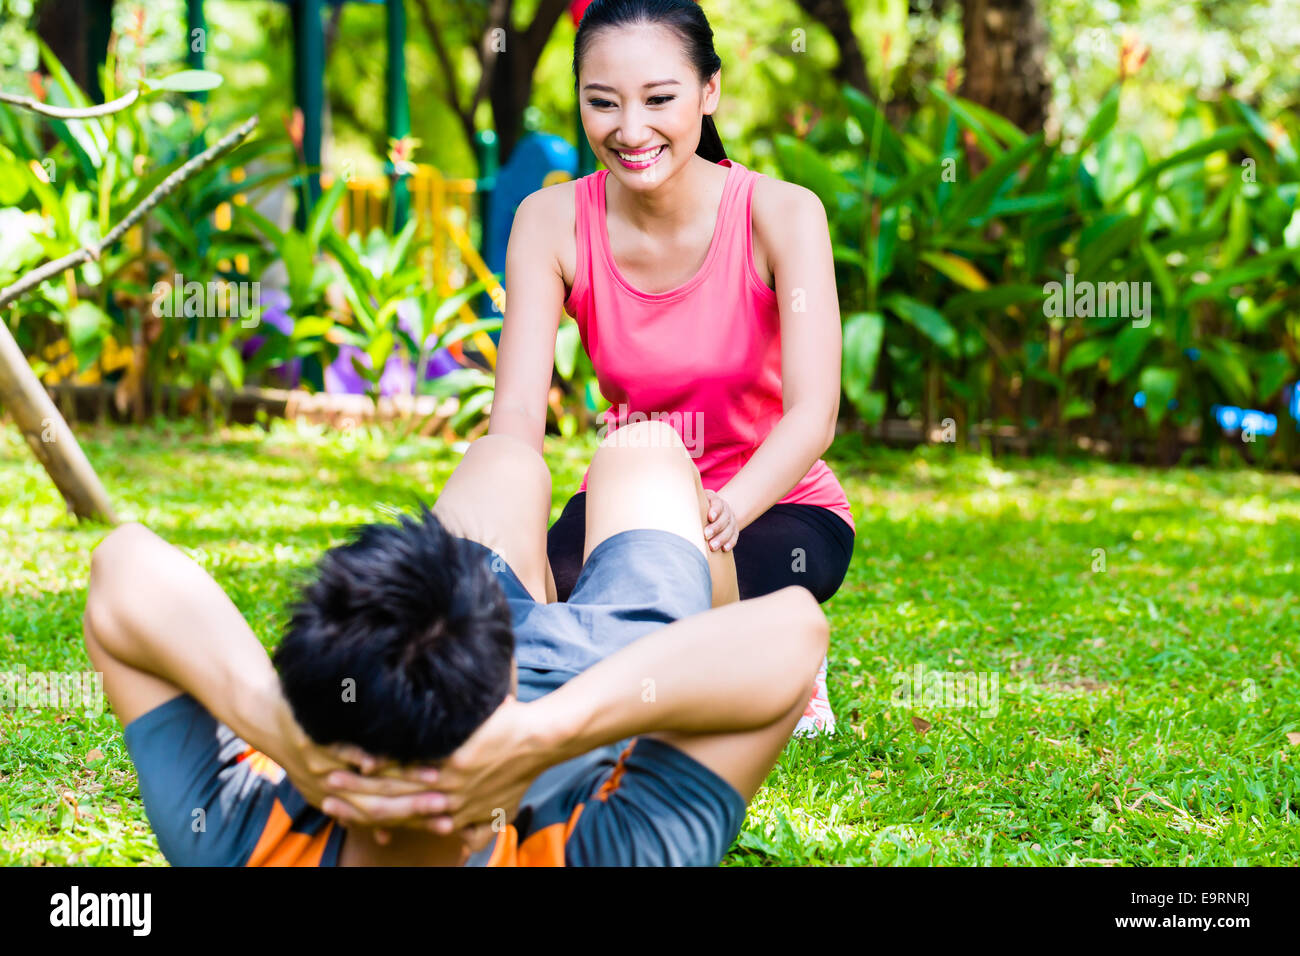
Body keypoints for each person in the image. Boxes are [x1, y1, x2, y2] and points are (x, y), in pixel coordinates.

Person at [82, 420, 828, 865]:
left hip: (443, 663)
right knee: (643, 449)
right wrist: (542, 733)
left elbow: (124, 561)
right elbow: (793, 631)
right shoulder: (597, 848)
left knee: (502, 459)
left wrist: (283, 734)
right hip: (623, 667)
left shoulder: (247, 844)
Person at [489, 0, 853, 731]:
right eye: (602, 103)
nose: (630, 130)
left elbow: (812, 413)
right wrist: (508, 521)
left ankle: (782, 650)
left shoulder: (783, 213)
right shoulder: (549, 221)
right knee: (565, 609)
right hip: (629, 493)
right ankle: (722, 650)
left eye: (660, 98)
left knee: (655, 611)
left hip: (769, 507)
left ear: (708, 91)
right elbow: (521, 411)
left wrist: (725, 513)